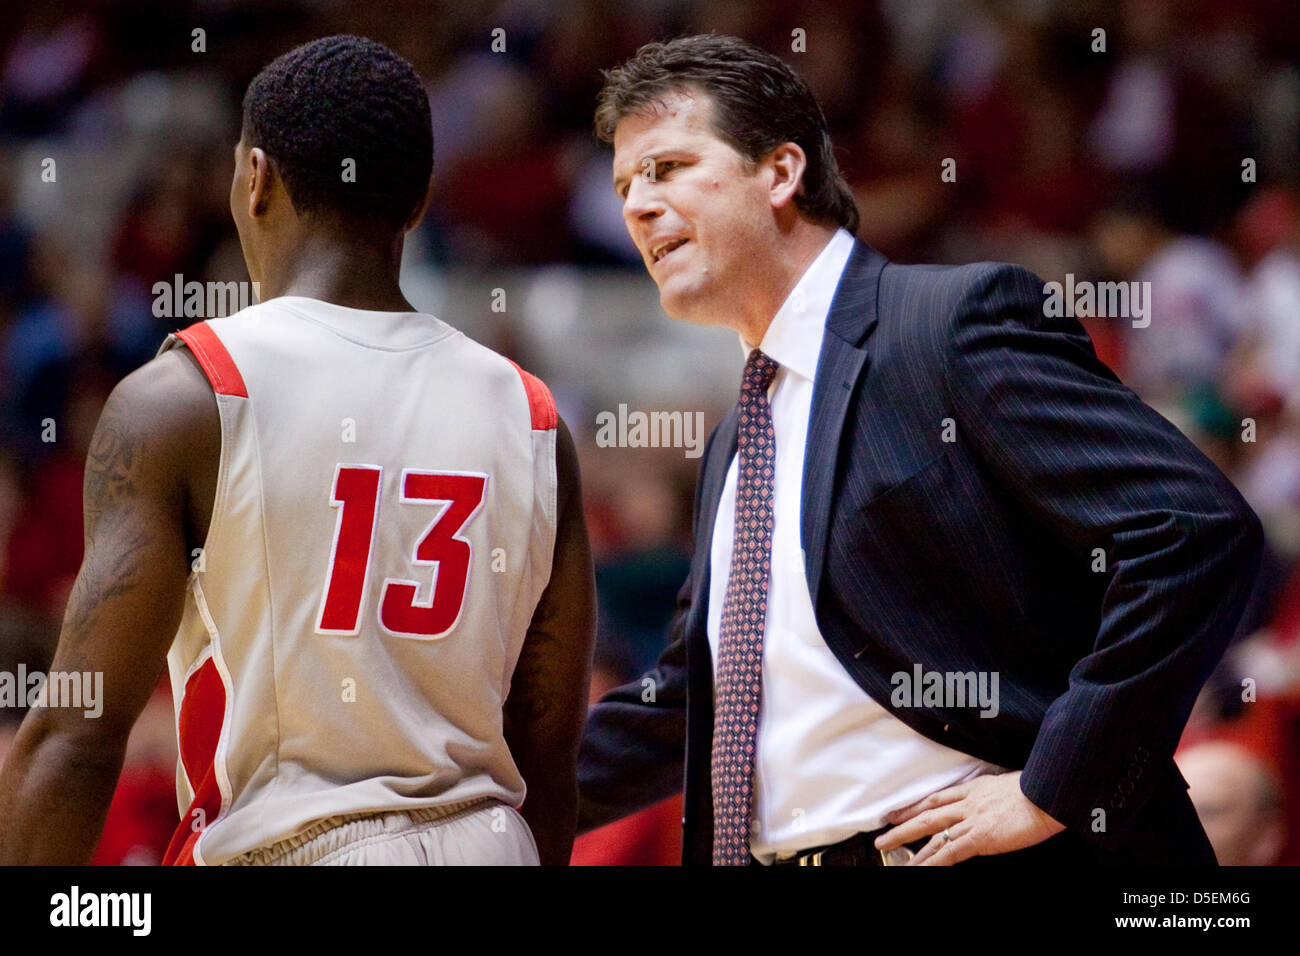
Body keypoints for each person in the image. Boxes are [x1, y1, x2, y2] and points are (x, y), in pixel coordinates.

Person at [576, 34, 1263, 866]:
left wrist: (1057, 784)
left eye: (667, 167)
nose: (636, 206)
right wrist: (474, 792)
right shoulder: (738, 434)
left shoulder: (945, 324)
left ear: (781, 173)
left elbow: (1189, 526)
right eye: (622, 185)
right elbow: (686, 699)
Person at [0, 35, 595, 866]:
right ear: (420, 201)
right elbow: (549, 764)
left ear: (253, 177)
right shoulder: (533, 419)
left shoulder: (187, 396)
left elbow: (77, 733)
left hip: (298, 845)